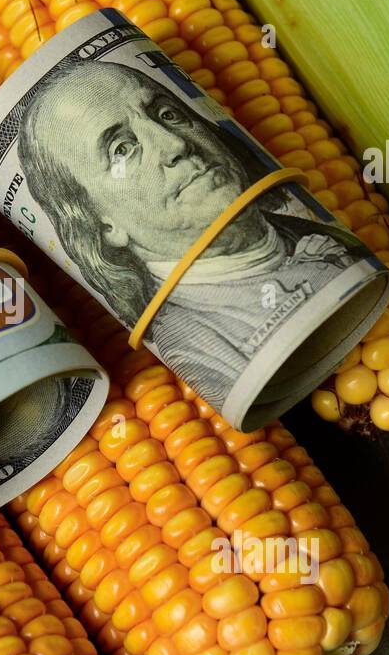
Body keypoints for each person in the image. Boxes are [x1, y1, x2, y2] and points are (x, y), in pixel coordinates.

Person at [18, 59, 357, 405]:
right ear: (103, 225)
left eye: (166, 114)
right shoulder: (195, 344)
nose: (175, 145)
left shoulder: (311, 234)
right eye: (122, 149)